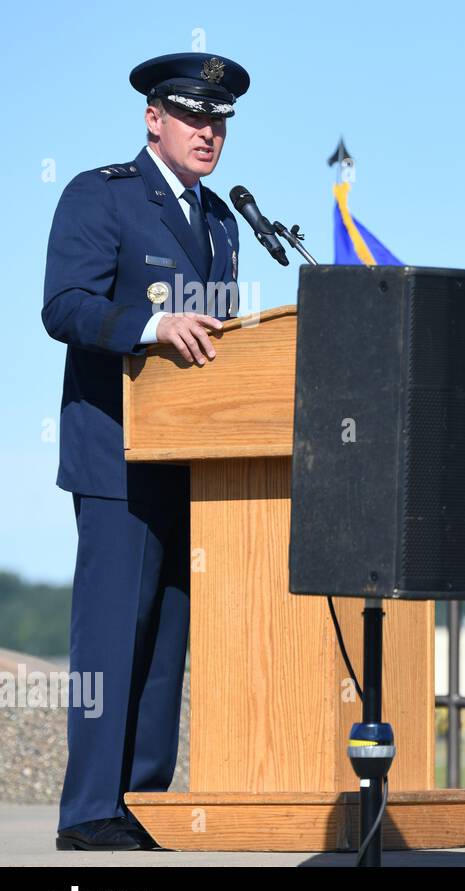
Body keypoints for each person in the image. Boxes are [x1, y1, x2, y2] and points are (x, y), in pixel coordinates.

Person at [42, 53, 248, 849]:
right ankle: (91, 809)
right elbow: (64, 305)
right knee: (112, 636)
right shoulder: (102, 195)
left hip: (192, 461)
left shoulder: (224, 221)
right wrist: (151, 325)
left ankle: (147, 805)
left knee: (167, 643)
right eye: (194, 116)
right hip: (116, 455)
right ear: (153, 118)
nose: (208, 132)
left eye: (219, 121)